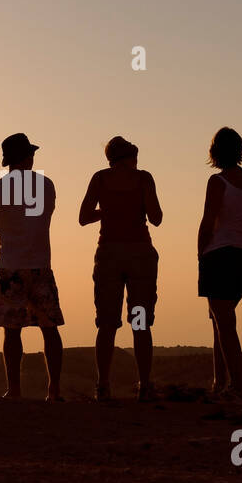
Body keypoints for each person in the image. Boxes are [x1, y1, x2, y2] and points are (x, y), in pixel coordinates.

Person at [79, 136, 163, 401]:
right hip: (139, 253)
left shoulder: (100, 179)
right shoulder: (143, 178)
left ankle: (103, 385)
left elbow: (83, 217)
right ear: (129, 157)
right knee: (140, 323)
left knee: (107, 324)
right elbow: (157, 218)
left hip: (109, 254)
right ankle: (145, 385)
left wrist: (108, 211)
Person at [0, 133, 64, 400]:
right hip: (40, 264)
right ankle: (53, 390)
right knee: (49, 328)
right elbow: (45, 217)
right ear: (28, 157)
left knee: (11, 331)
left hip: (10, 266)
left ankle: (14, 389)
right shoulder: (47, 185)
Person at [197, 128, 242, 401]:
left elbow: (208, 220)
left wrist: (200, 252)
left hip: (220, 253)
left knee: (224, 321)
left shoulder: (218, 181)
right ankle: (219, 381)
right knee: (219, 319)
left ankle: (237, 384)